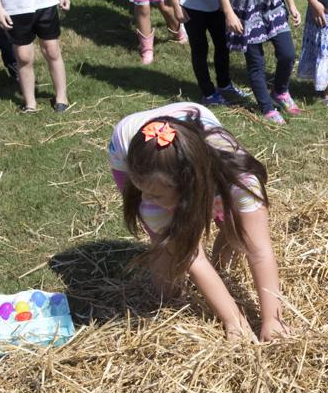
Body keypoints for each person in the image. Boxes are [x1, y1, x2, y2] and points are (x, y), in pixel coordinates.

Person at [108, 102, 290, 342]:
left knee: (235, 229)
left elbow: (259, 251)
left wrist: (273, 320)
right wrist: (233, 320)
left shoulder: (242, 182)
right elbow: (194, 258)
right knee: (169, 253)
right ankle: (170, 295)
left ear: (187, 191)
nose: (144, 199)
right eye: (144, 192)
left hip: (198, 151)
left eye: (155, 196)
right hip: (131, 146)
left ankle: (220, 270)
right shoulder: (148, 193)